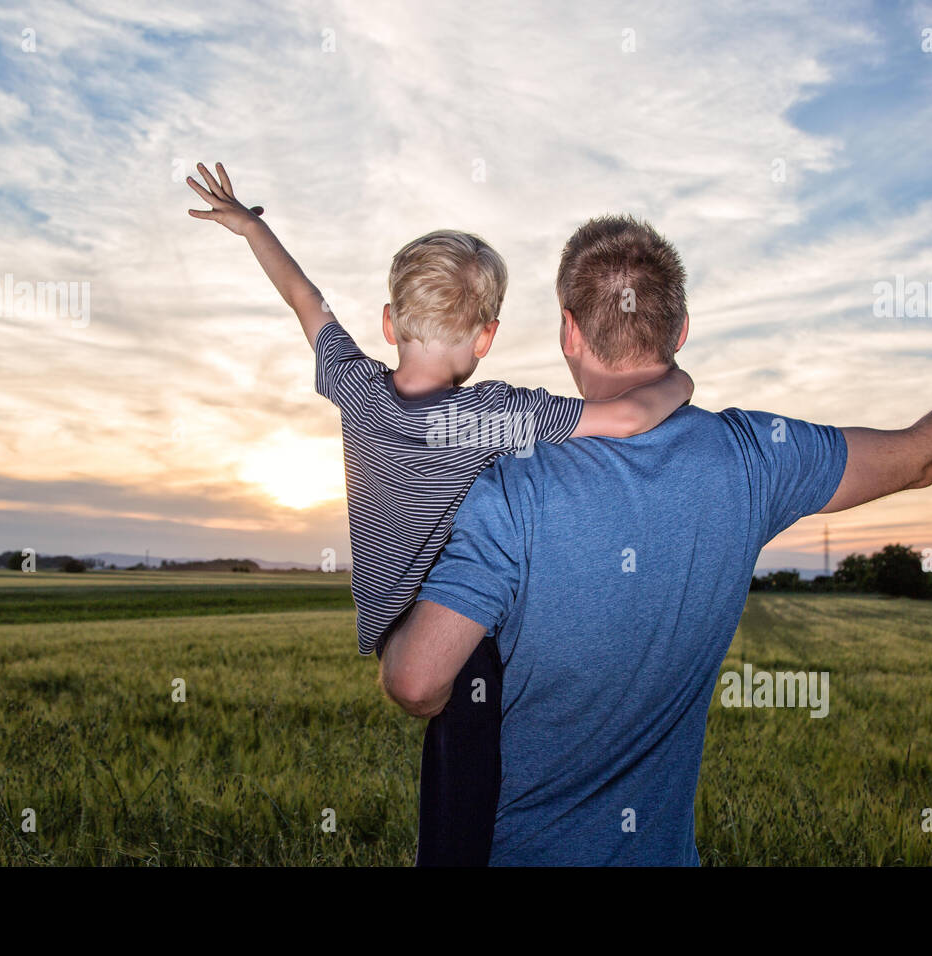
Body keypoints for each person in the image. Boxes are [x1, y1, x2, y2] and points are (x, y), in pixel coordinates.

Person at [379, 214, 932, 865]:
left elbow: (417, 683)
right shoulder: (755, 457)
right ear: (680, 328)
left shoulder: (512, 486)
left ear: (570, 332)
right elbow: (924, 455)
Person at [185, 165, 694, 864]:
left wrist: (251, 226)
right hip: (465, 631)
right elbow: (629, 416)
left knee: (450, 788)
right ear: (485, 338)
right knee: (478, 797)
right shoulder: (490, 415)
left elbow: (306, 300)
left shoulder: (356, 389)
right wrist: (679, 380)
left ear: (391, 323)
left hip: (395, 625)